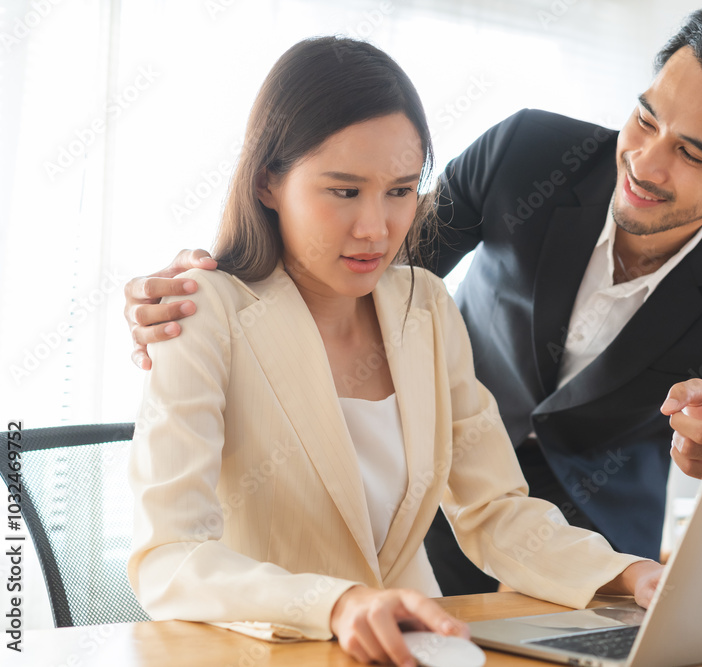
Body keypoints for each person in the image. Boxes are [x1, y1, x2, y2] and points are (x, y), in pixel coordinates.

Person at [125, 3, 702, 594]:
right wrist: (214, 280)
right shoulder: (528, 157)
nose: (644, 162)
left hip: (588, 544)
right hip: (419, 533)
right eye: (645, 121)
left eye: (693, 153)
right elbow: (366, 262)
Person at [126, 36, 663, 667]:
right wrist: (338, 603)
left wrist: (628, 576)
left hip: (420, 652)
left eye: (401, 190)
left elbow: (493, 511)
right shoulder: (204, 312)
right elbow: (168, 556)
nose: (376, 229)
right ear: (269, 182)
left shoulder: (425, 305)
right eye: (344, 192)